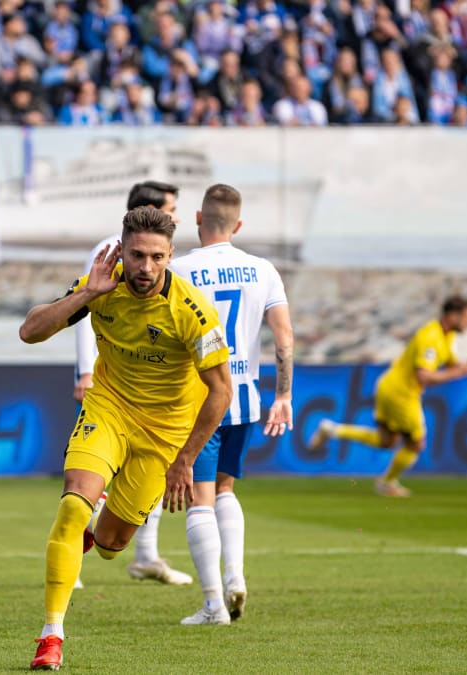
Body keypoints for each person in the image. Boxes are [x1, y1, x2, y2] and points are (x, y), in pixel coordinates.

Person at [21, 207, 232, 670]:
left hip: (163, 435)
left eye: (157, 257)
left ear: (170, 256)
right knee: (72, 505)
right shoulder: (102, 287)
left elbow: (221, 390)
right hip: (108, 410)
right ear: (122, 251)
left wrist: (185, 459)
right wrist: (85, 294)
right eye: (137, 255)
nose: (145, 267)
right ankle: (51, 635)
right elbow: (29, 332)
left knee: (111, 546)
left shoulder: (193, 311)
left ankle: (97, 525)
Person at [169, 184, 294, 625]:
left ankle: (213, 605)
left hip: (199, 401)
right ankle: (235, 576)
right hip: (244, 400)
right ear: (237, 225)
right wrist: (284, 395)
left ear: (198, 219)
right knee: (225, 489)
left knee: (199, 498)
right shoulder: (263, 270)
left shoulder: (178, 270)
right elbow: (283, 336)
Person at [74, 179, 195, 587]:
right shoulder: (111, 253)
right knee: (89, 478)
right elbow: (84, 308)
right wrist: (84, 370)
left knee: (146, 471)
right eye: (171, 209)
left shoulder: (159, 259)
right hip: (113, 386)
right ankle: (72, 549)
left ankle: (145, 554)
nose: (177, 217)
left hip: (153, 392)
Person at [308, 296, 467, 497]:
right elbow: (424, 376)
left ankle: (331, 430)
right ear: (452, 316)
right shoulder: (430, 337)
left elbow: (454, 366)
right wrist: (457, 373)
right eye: (466, 317)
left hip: (389, 386)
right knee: (416, 443)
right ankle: (386, 482)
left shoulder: (447, 336)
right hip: (401, 394)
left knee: (387, 441)